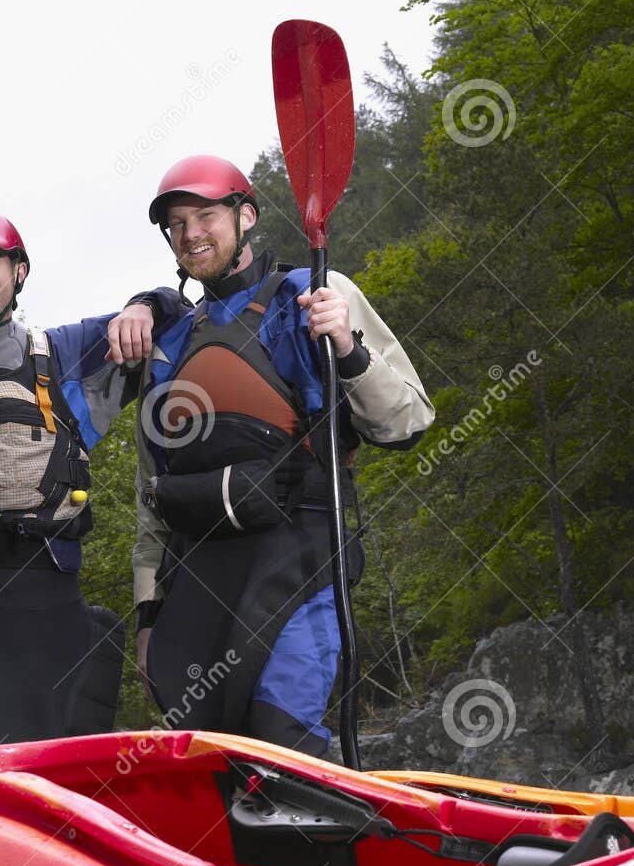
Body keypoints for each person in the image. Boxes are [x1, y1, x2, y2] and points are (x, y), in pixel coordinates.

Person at [126, 154, 434, 757]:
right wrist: (146, 616)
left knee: (279, 738)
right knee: (214, 757)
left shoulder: (313, 293)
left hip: (301, 560)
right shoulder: (167, 340)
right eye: (177, 223)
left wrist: (345, 345)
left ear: (246, 217)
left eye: (206, 216)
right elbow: (150, 493)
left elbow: (406, 423)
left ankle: (333, 844)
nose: (191, 234)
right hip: (199, 575)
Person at [0, 209, 157, 752]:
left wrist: (143, 305)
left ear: (19, 271)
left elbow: (179, 316)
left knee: (71, 774)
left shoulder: (65, 353)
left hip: (57, 606)